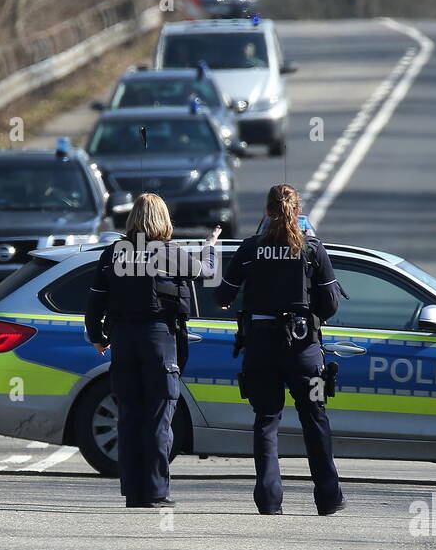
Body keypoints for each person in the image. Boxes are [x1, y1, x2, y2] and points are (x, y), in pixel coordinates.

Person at [215, 184, 346, 516]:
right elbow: (330, 306)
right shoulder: (312, 249)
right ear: (297, 210)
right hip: (304, 350)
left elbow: (221, 297)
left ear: (266, 210)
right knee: (315, 418)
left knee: (267, 420)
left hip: (260, 346)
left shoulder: (250, 248)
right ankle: (328, 498)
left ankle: (270, 500)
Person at [85, 194, 219, 508]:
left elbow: (94, 304)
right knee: (159, 419)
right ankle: (156, 492)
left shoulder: (114, 253)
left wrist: (97, 338)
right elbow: (207, 273)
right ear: (164, 220)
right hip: (159, 340)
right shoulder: (168, 253)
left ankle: (134, 492)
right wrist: (210, 247)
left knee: (129, 417)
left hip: (123, 341)